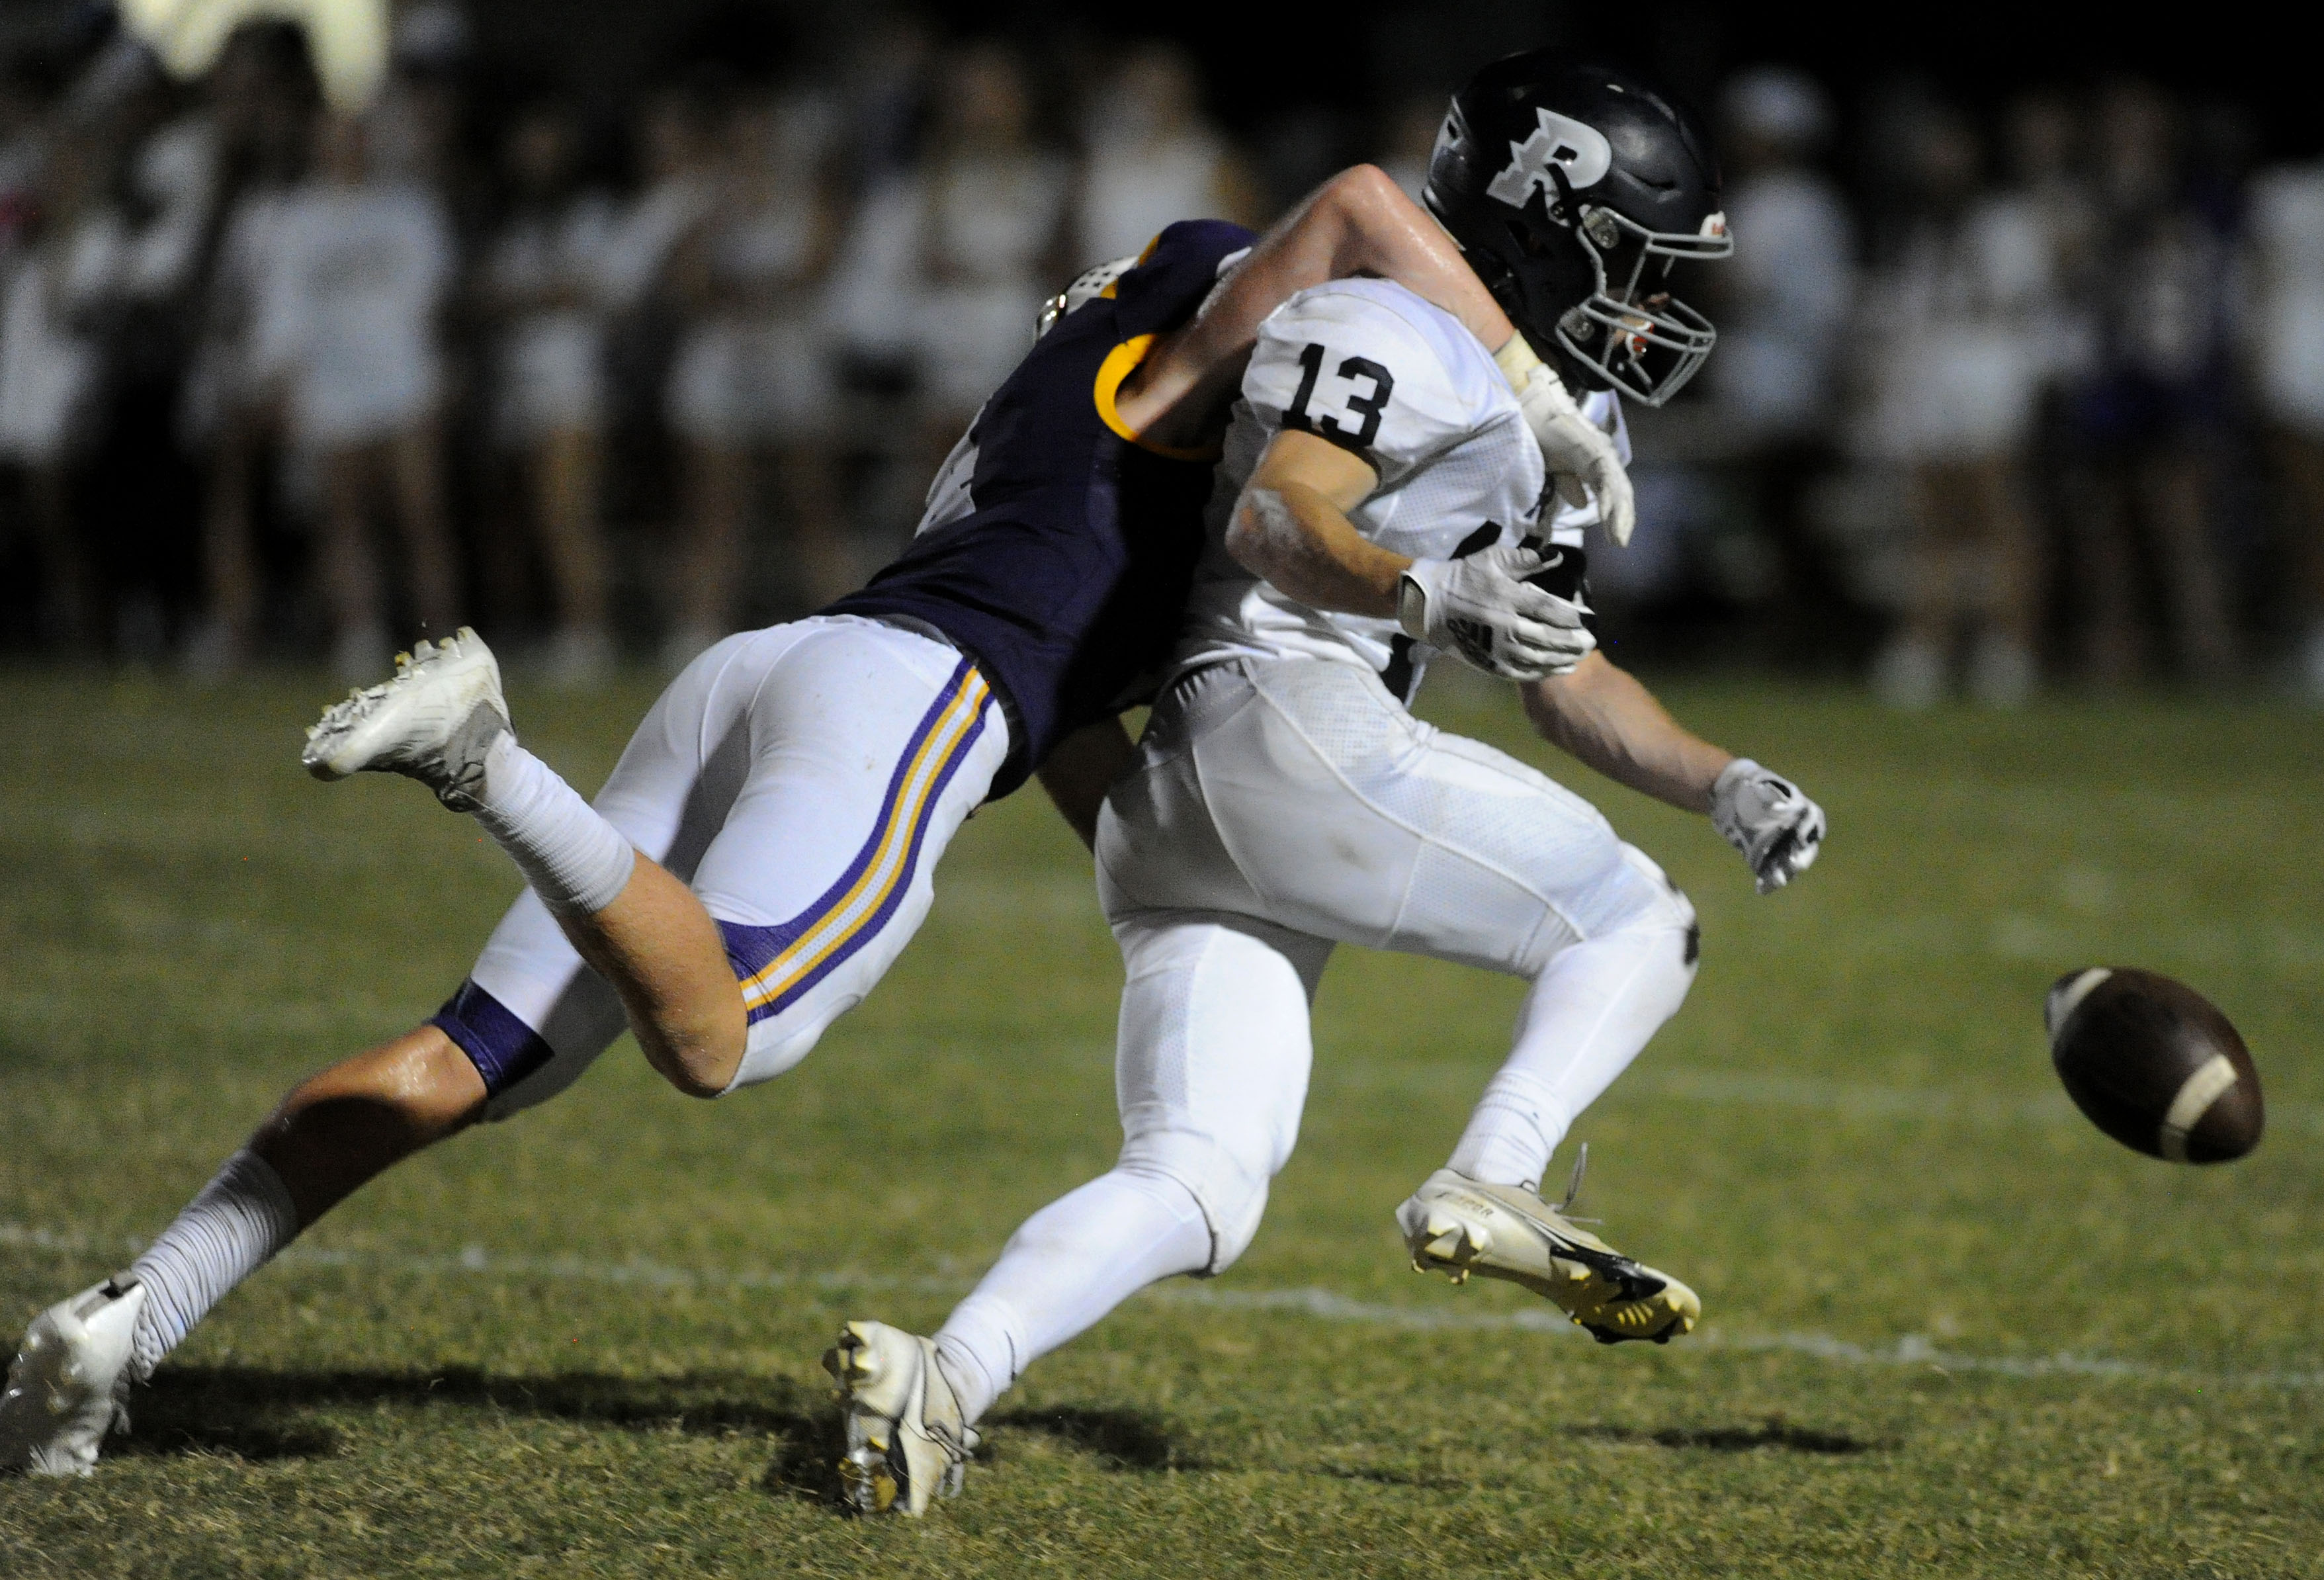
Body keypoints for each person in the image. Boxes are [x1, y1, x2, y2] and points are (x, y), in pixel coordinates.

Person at [0, 161, 1615, 1478]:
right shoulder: (1178, 361)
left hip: (765, 672)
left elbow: (1072, 734)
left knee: (474, 1057)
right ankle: (486, 759)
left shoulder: (1050, 398)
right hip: (903, 702)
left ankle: (124, 1322)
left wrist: (1175, 872)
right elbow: (1355, 205)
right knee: (727, 1036)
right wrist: (1530, 389)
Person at [822, 50, 1825, 1519]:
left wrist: (1721, 780)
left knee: (1200, 1179)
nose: (1652, 297)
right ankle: (1492, 1172)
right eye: (1633, 256)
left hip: (1185, 800)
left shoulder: (1555, 405)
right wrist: (1429, 593)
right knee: (1636, 924)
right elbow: (1277, 519)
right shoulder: (1395, 324)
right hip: (1281, 719)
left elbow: (1564, 678)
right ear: (1544, 225)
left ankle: (943, 1376)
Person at [1857, 101, 2054, 707]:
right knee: (1933, 519)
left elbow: (2022, 306)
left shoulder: (2006, 224)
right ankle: (1928, 640)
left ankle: (2010, 646)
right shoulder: (1911, 229)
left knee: (1998, 515)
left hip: (1988, 371)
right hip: (1929, 375)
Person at [253, 109, 460, 679]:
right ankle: (360, 632)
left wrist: (438, 372)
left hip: (404, 380)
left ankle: (441, 637)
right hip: (331, 386)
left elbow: (434, 296)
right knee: (344, 519)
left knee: (421, 514)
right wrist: (283, 383)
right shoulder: (298, 219)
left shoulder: (409, 209)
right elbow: (283, 307)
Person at [661, 87, 849, 664]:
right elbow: (687, 282)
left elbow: (818, 265)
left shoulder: (806, 200)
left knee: (810, 502)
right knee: (715, 506)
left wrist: (755, 288)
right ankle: (701, 626)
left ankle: (842, 621)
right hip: (723, 360)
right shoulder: (703, 201)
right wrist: (718, 229)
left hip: (790, 357)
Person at [476, 97, 618, 682]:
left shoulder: (592, 216)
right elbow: (489, 295)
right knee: (534, 519)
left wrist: (524, 297)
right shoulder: (514, 223)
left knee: (570, 514)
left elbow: (591, 290)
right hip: (522, 384)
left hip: (572, 382)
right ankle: (563, 626)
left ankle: (590, 632)